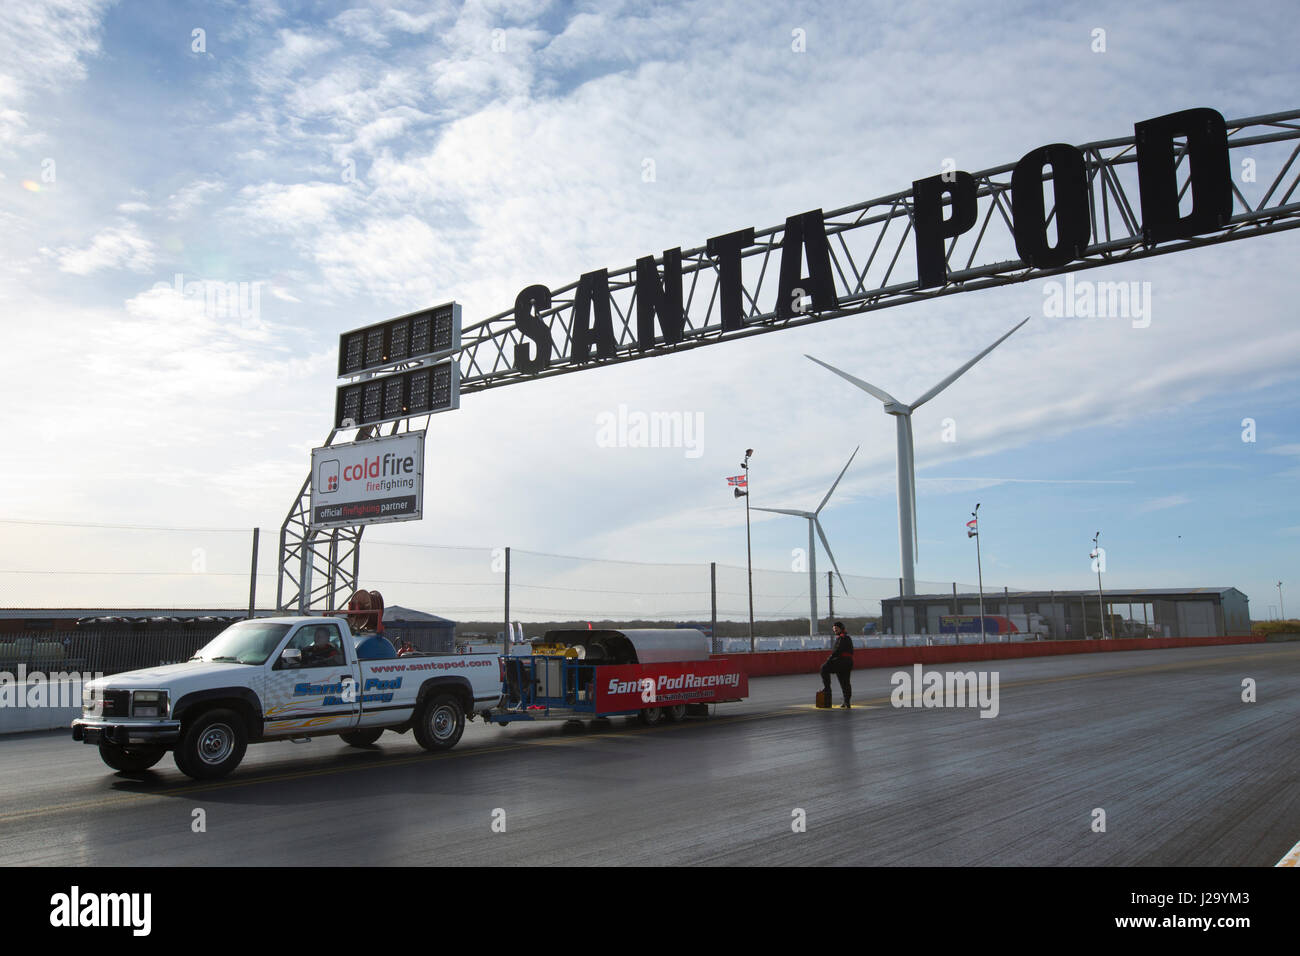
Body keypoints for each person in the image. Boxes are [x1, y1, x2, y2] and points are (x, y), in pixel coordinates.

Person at [820, 621, 854, 708]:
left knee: (824, 668)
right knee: (845, 682)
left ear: (841, 628)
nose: (835, 631)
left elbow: (838, 650)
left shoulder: (842, 638)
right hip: (848, 662)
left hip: (842, 661)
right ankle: (847, 702)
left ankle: (827, 688)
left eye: (836, 629)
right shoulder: (846, 637)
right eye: (834, 629)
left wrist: (830, 659)